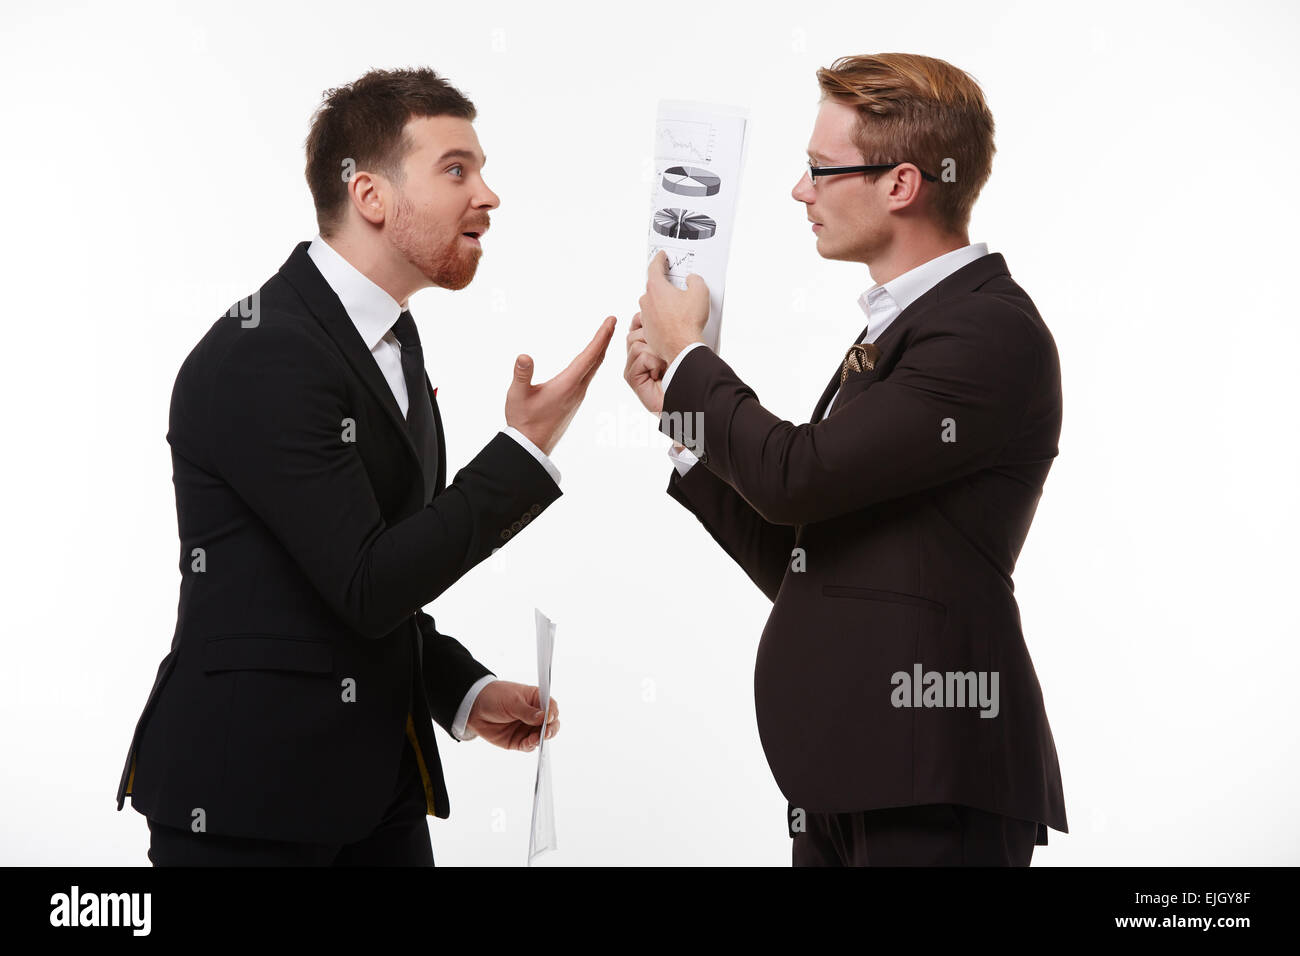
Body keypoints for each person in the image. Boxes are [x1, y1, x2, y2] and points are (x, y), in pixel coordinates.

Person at [115, 67, 615, 865]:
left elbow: (348, 584)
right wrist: (523, 452)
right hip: (250, 806)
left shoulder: (391, 340)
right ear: (371, 196)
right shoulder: (265, 351)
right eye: (457, 169)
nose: (488, 195)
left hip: (375, 796)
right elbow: (365, 580)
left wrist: (463, 691)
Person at [625, 52, 1067, 866]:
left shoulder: (984, 331)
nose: (802, 192)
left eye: (820, 171)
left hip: (931, 774)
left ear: (901, 184)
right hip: (853, 775)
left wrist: (693, 361)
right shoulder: (902, 326)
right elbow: (814, 556)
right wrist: (681, 420)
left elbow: (797, 476)